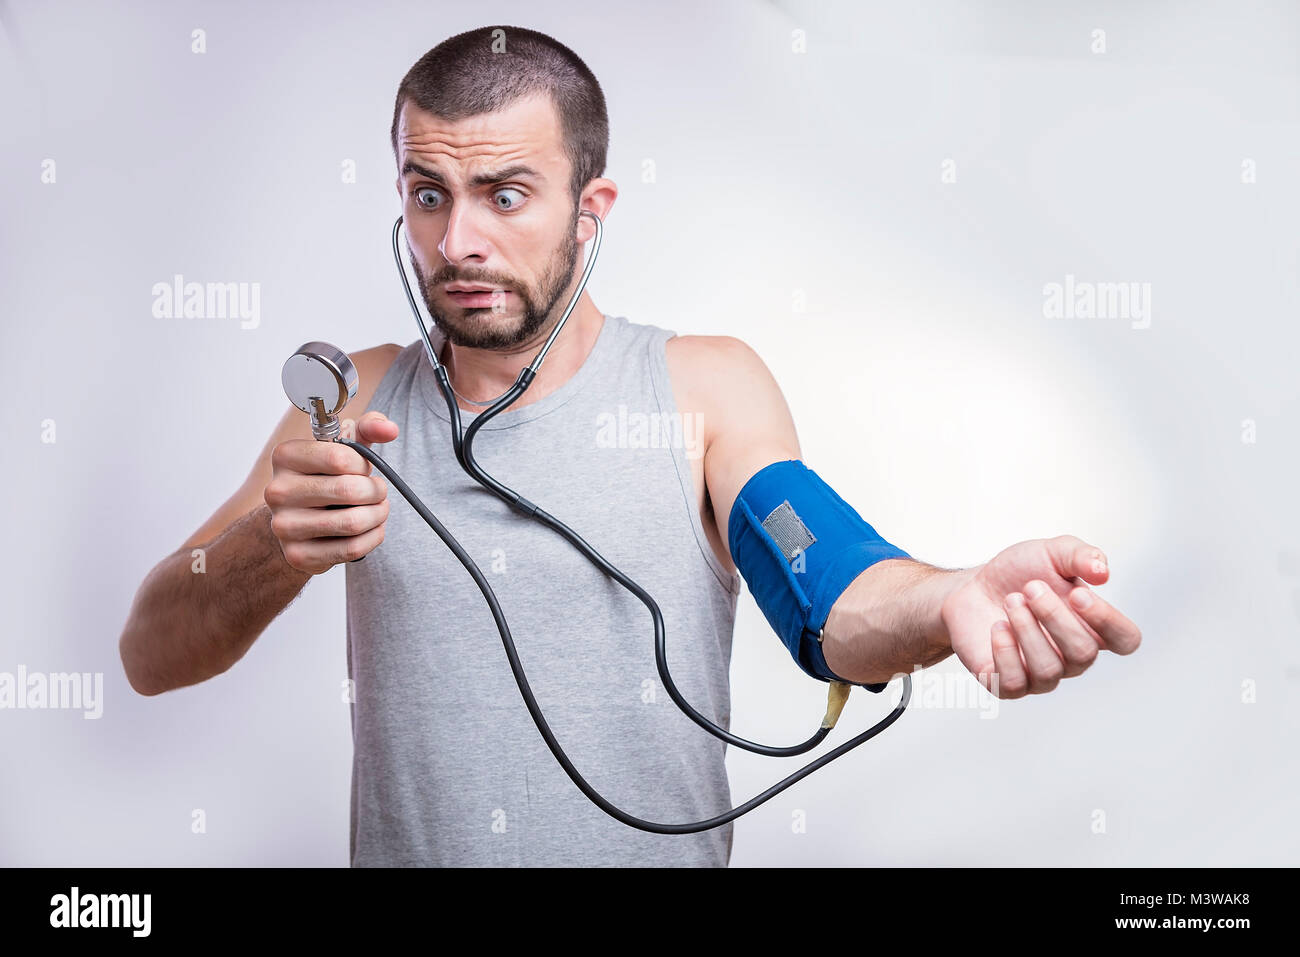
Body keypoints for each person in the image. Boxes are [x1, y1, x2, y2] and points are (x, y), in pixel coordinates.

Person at [118, 25, 1142, 867]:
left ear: (589, 208)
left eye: (505, 195)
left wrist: (949, 596)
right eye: (428, 193)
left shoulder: (701, 387)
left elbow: (829, 589)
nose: (458, 241)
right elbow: (150, 654)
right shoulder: (349, 401)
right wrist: (269, 544)